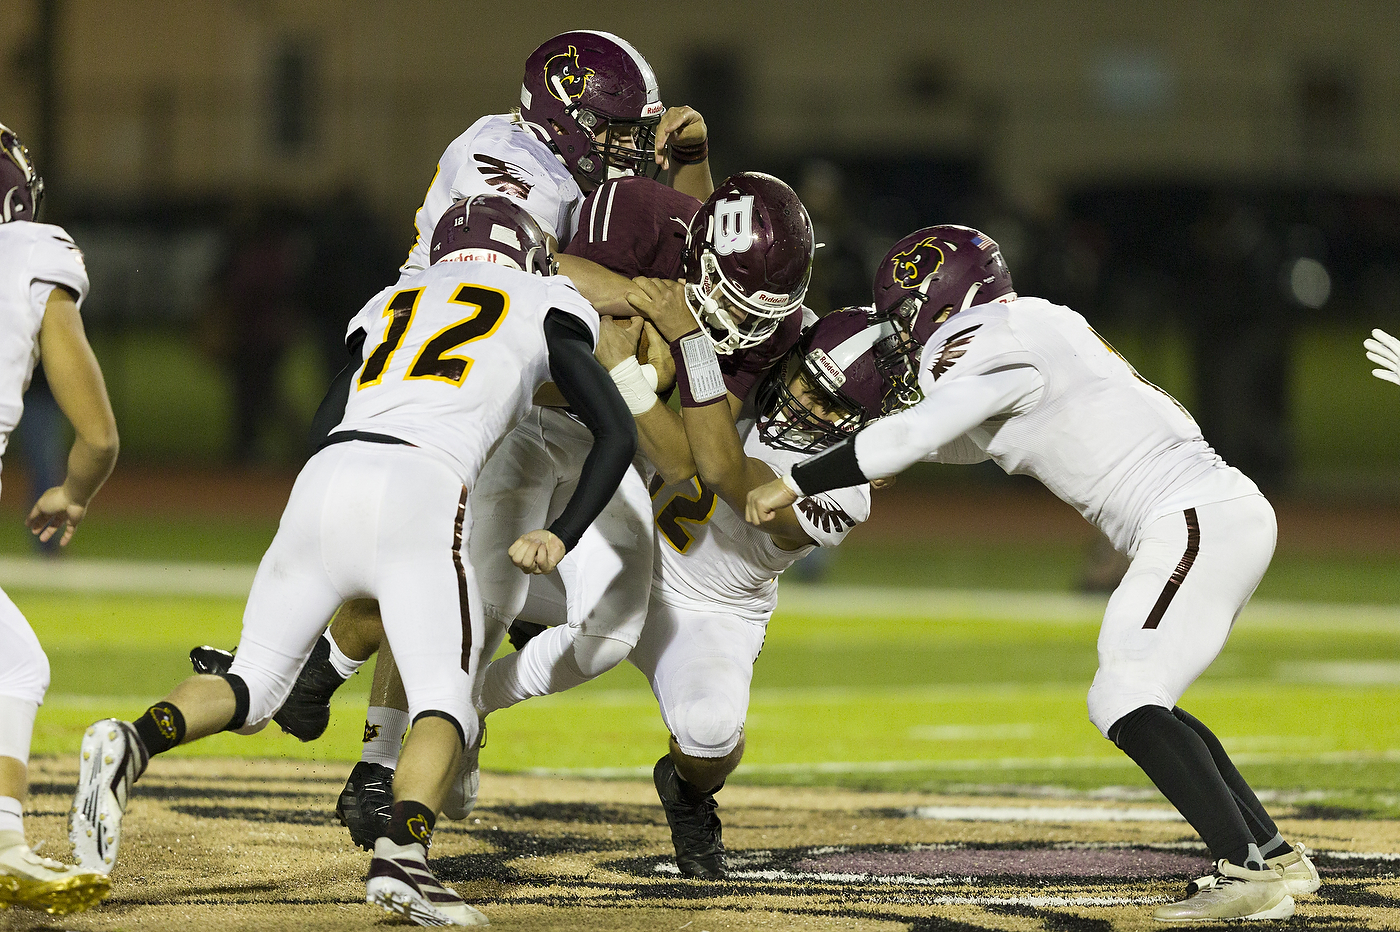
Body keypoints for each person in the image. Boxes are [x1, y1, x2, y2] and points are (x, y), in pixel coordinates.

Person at [72, 195, 636, 927]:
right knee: (445, 698)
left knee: (251, 685)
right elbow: (615, 433)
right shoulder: (543, 298)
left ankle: (133, 741)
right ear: (528, 254)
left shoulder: (395, 297)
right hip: (421, 487)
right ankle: (404, 858)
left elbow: (322, 419)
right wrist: (560, 531)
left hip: (326, 480)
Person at [745, 225, 1320, 923]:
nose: (900, 334)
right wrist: (884, 452)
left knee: (1125, 692)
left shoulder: (991, 338)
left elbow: (924, 432)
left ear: (939, 300)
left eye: (903, 314)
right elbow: (971, 437)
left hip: (1193, 515)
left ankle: (1245, 869)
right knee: (1143, 686)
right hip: (1207, 513)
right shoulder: (1030, 325)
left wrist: (800, 479)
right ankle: (1270, 850)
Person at [250, 171, 818, 851]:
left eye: (766, 309)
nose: (749, 325)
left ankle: (455, 709)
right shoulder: (636, 213)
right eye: (732, 299)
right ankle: (364, 750)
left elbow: (685, 457)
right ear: (696, 257)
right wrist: (623, 301)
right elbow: (539, 263)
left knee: (615, 642)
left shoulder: (763, 334)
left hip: (612, 468)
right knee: (438, 572)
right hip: (523, 425)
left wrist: (644, 361)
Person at [609, 302, 894, 877]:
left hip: (711, 611)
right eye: (809, 382)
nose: (808, 403)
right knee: (464, 578)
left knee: (710, 733)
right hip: (616, 548)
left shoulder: (850, 489)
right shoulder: (754, 365)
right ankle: (390, 759)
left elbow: (728, 477)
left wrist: (679, 359)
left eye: (831, 403)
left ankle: (689, 794)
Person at [0, 122, 118, 915]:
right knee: (15, 668)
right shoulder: (32, 253)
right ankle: (4, 844)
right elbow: (100, 435)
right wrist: (73, 492)